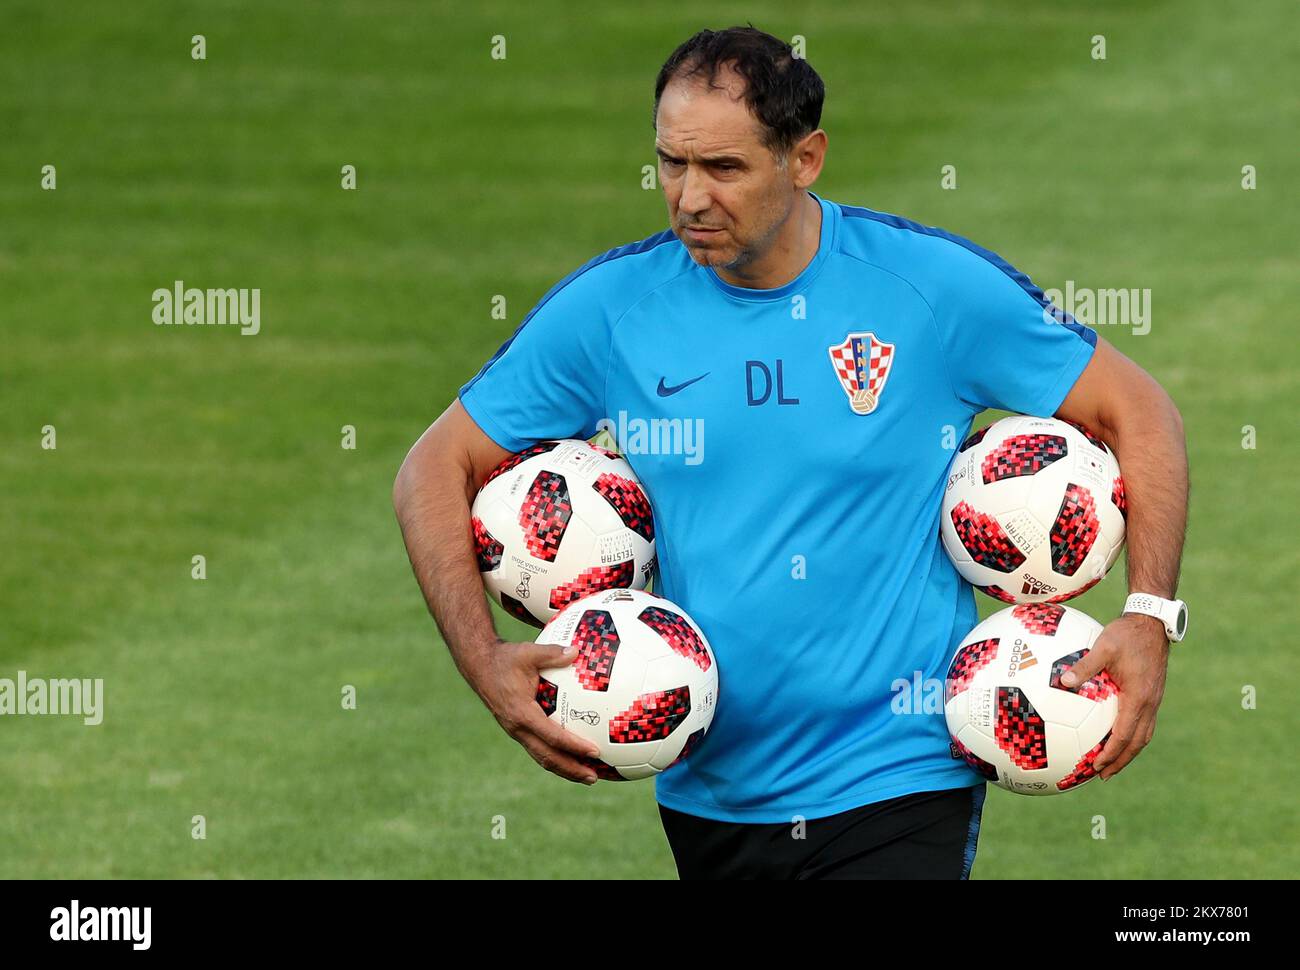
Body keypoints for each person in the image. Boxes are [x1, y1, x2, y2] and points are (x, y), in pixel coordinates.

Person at [393, 26, 1188, 879]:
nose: (690, 196)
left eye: (724, 169)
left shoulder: (925, 290)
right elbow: (432, 469)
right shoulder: (613, 310)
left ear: (805, 158)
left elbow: (1137, 408)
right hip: (707, 785)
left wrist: (1149, 616)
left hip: (898, 777)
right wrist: (484, 665)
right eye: (671, 163)